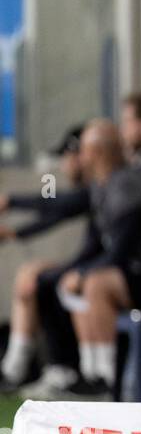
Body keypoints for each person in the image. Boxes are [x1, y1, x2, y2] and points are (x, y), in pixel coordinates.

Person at [54, 120, 141, 398]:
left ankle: (109, 381)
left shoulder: (127, 184)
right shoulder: (102, 186)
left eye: (83, 150)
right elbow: (97, 248)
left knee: (96, 284)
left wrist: (82, 274)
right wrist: (75, 273)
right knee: (84, 282)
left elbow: (121, 252)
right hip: (140, 272)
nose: (79, 157)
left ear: (97, 153)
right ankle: (91, 372)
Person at [0, 125, 90, 393]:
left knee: (46, 280)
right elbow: (57, 215)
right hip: (101, 267)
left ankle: (81, 373)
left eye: (66, 156)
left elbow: (56, 204)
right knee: (35, 274)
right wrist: (14, 232)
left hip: (121, 275)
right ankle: (15, 370)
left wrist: (11, 201)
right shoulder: (98, 188)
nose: (63, 166)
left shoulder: (104, 186)